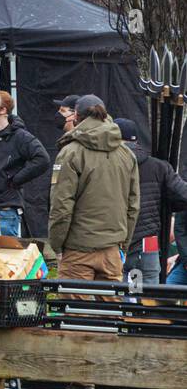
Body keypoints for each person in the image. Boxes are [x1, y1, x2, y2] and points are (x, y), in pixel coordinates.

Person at [48, 96, 139, 282]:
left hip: (77, 250)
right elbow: (133, 205)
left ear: (76, 117)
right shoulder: (127, 155)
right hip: (112, 250)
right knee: (110, 309)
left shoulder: (70, 153)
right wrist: (123, 245)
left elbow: (61, 205)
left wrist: (57, 246)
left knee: (76, 308)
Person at [115, 118, 187, 285]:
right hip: (148, 243)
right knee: (146, 295)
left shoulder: (109, 165)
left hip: (117, 243)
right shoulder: (158, 167)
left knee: (125, 295)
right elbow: (182, 195)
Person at [0, 90, 50, 237]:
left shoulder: (20, 136)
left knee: (6, 257)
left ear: (3, 110)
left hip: (6, 210)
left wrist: (16, 179)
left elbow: (42, 159)